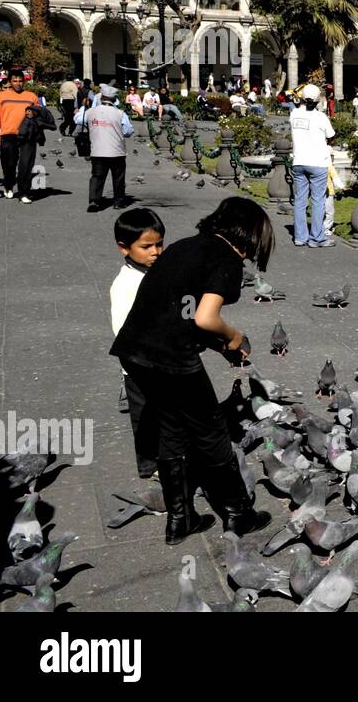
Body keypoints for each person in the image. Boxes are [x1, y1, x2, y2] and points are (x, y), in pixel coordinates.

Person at [110, 197, 275, 544]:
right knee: (212, 432)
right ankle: (238, 513)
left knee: (171, 431)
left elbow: (182, 313)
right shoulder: (226, 259)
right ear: (248, 235)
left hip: (134, 352)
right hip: (172, 360)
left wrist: (222, 347)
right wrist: (236, 337)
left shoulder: (184, 246)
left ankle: (179, 519)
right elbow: (205, 318)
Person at [109, 207, 165, 478]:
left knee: (162, 412)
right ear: (124, 247)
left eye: (159, 244)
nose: (155, 251)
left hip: (162, 361)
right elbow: (123, 332)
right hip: (139, 366)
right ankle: (148, 464)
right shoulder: (125, 285)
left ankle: (165, 453)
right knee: (143, 417)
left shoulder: (153, 273)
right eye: (146, 246)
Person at [290, 83, 337, 247]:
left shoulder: (294, 114)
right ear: (318, 101)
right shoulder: (321, 117)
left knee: (300, 200)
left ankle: (300, 237)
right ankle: (316, 238)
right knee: (318, 201)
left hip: (298, 162)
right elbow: (332, 136)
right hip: (317, 163)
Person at [0, 68, 46, 202]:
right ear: (9, 82)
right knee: (9, 165)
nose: (18, 83)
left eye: (20, 81)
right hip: (8, 135)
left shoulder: (31, 96)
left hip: (28, 135)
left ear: (24, 82)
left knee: (26, 164)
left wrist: (34, 113)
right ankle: (8, 185)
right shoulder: (1, 96)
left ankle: (24, 193)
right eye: (15, 81)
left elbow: (39, 114)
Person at [79, 83, 135, 212]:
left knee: (97, 176)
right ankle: (118, 202)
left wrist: (84, 108)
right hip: (117, 151)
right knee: (118, 178)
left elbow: (78, 119)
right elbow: (128, 131)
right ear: (114, 99)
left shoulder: (91, 112)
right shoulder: (120, 113)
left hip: (97, 151)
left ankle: (94, 200)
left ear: (101, 97)